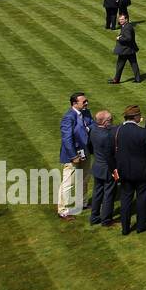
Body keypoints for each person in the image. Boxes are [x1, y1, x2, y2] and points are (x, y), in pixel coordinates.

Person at [114, 104, 146, 236]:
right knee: (142, 199)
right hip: (142, 172)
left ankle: (125, 228)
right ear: (135, 117)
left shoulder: (117, 131)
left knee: (126, 200)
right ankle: (140, 226)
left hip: (125, 171)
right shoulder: (143, 132)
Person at [57, 92, 92, 220]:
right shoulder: (68, 117)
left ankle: (82, 203)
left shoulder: (86, 112)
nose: (87, 103)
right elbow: (67, 138)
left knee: (84, 178)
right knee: (68, 183)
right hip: (72, 155)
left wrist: (86, 129)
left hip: (85, 151)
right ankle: (63, 210)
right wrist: (73, 156)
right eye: (84, 102)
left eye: (86, 101)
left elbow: (91, 124)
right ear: (74, 104)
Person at [87, 109, 116, 227]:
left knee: (97, 193)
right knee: (109, 194)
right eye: (111, 120)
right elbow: (110, 156)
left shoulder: (93, 131)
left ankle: (94, 217)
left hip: (97, 166)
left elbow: (89, 147)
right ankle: (106, 219)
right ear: (105, 122)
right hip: (107, 169)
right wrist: (115, 170)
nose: (112, 122)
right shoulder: (108, 136)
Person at [110, 12, 141, 84]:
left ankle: (116, 80)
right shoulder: (126, 26)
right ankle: (138, 79)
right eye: (120, 19)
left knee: (120, 65)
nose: (120, 21)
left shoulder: (127, 27)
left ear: (126, 19)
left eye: (122, 19)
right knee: (134, 64)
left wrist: (119, 38)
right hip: (130, 50)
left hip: (125, 50)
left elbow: (128, 38)